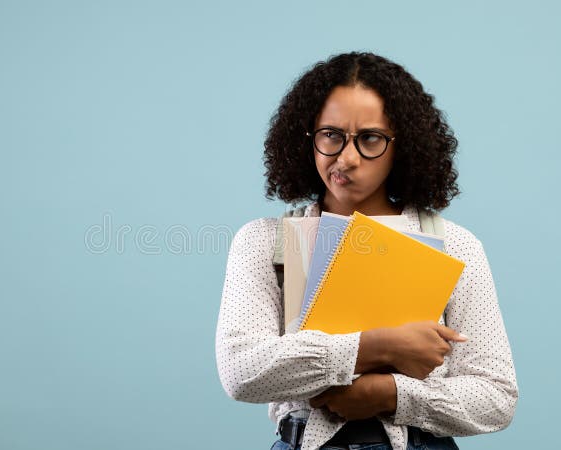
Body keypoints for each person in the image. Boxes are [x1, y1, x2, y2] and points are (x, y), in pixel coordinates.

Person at [214, 51, 518, 450]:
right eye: (331, 135)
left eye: (370, 139)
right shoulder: (264, 241)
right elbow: (242, 371)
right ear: (307, 137)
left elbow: (497, 397)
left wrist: (390, 395)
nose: (347, 158)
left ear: (401, 145)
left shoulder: (455, 246)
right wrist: (380, 346)